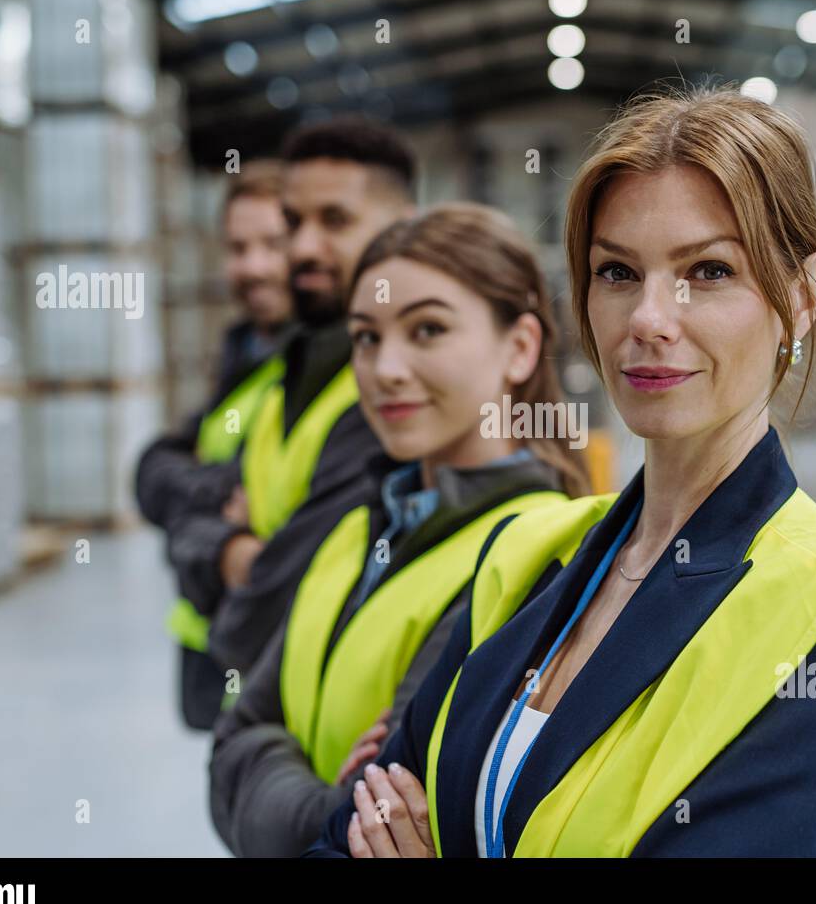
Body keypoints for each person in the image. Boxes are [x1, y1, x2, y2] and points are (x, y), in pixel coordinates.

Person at [305, 85, 816, 858]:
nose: (648, 318)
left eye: (708, 271)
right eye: (616, 273)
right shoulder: (524, 556)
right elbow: (353, 830)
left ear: (804, 298)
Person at [209, 203, 590, 856]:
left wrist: (287, 782)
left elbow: (380, 820)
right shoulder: (357, 529)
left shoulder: (537, 558)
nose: (385, 368)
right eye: (366, 336)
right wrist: (322, 797)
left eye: (428, 330)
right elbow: (233, 741)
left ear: (520, 347)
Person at [138, 121, 418, 730]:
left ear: (403, 226)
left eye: (336, 221)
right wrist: (228, 547)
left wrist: (216, 553)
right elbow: (154, 474)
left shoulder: (393, 399)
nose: (305, 249)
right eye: (294, 223)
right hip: (261, 720)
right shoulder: (282, 370)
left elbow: (274, 605)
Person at [135, 160, 296, 729]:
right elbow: (151, 472)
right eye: (237, 247)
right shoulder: (245, 353)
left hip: (272, 662)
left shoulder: (326, 371)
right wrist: (214, 501)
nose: (253, 266)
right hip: (215, 647)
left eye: (272, 244)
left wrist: (189, 507)